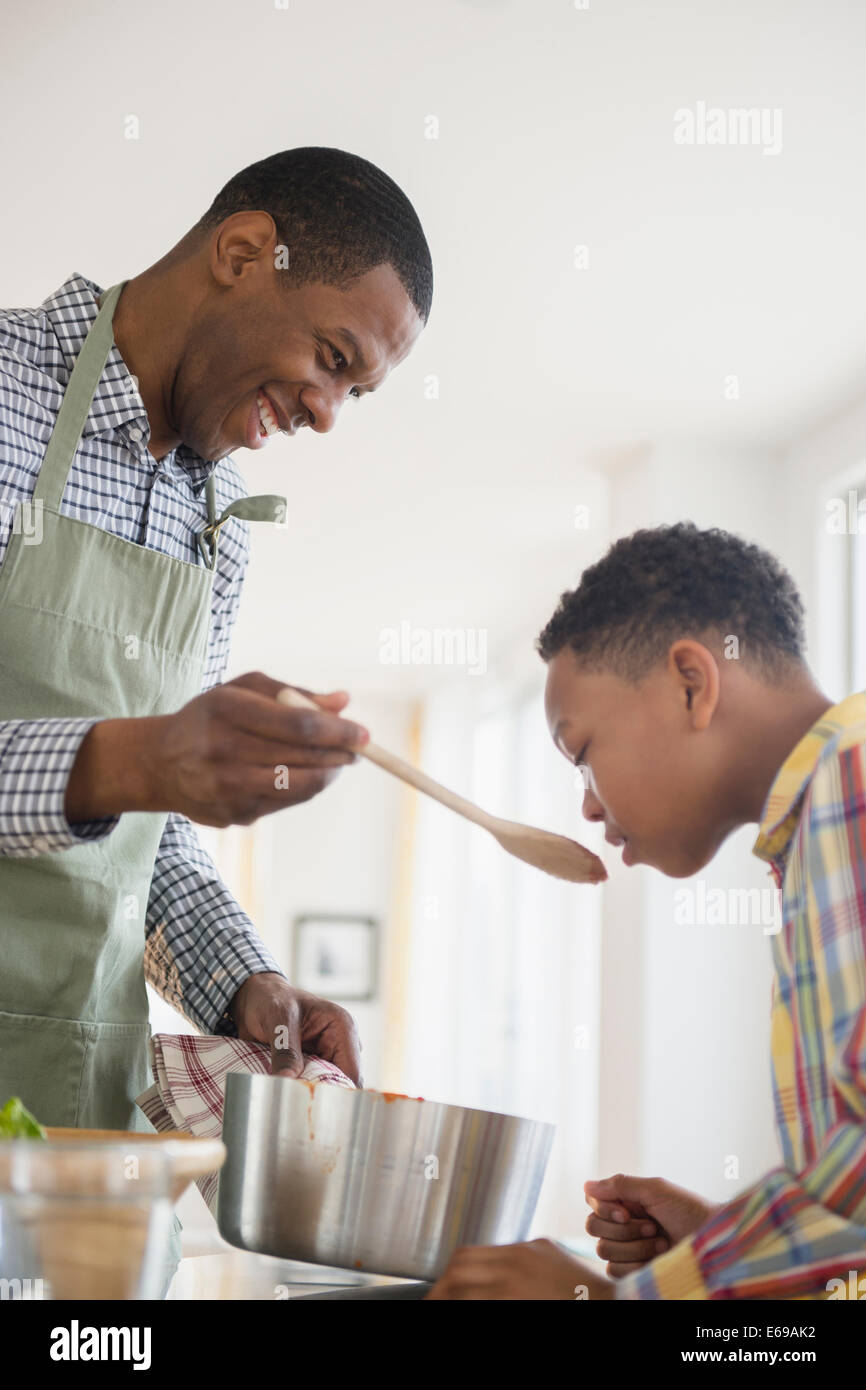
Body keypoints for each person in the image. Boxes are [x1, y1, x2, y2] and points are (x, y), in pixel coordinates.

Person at [0, 146, 432, 1137]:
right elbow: (133, 772)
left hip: (80, 1102)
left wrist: (243, 979)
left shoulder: (218, 517)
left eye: (354, 394)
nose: (327, 416)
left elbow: (147, 832)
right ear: (243, 254)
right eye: (334, 360)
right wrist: (138, 758)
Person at [428, 522, 866, 1299]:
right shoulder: (815, 826)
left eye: (583, 751)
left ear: (693, 683)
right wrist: (721, 1249)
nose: (590, 808)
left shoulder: (852, 789)